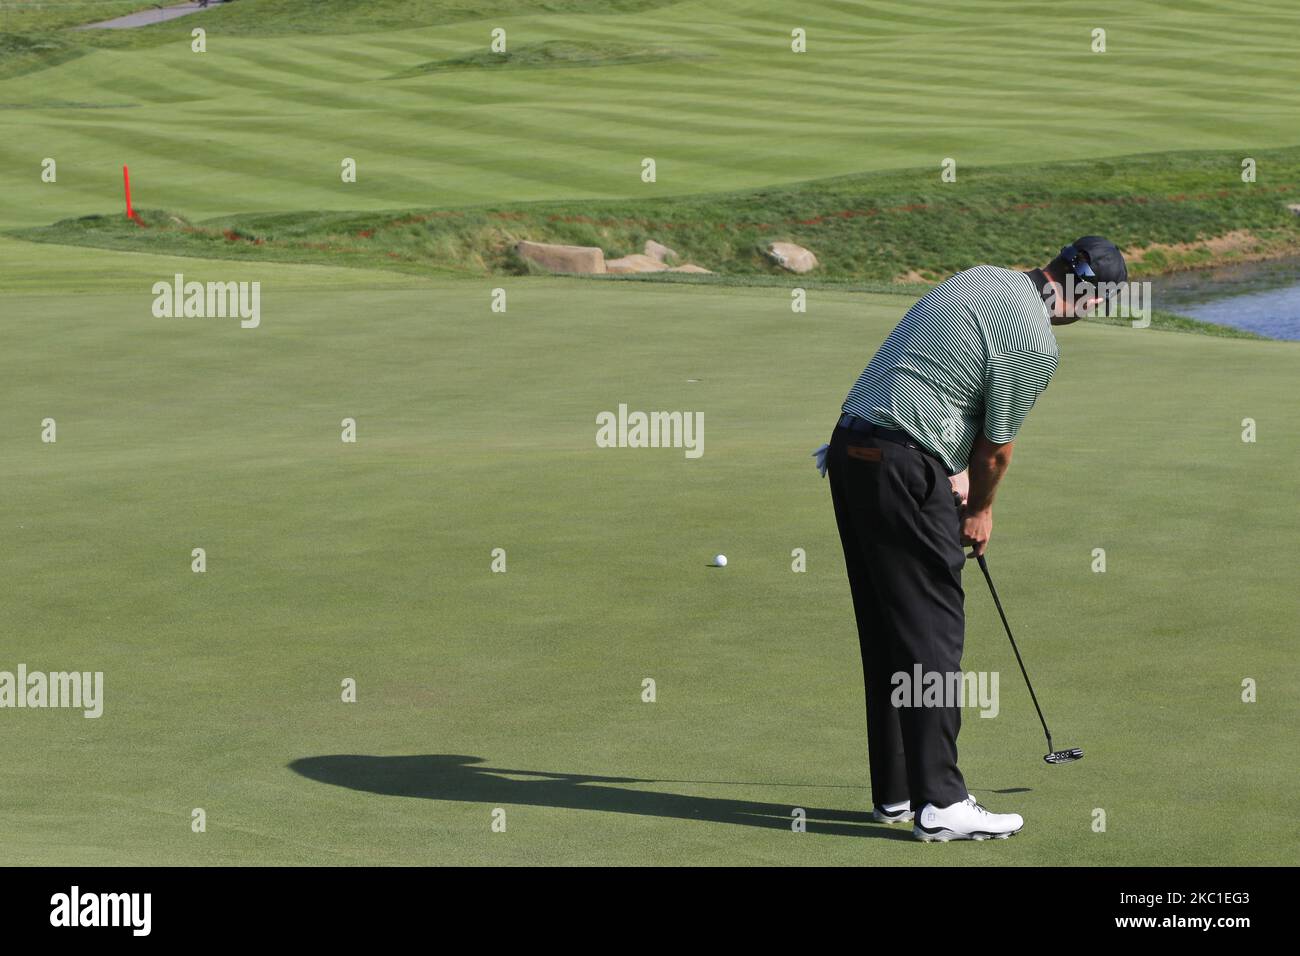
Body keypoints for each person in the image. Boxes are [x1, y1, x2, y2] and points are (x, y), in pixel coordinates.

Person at [825, 237, 1127, 841]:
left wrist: (947, 463)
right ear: (1088, 295)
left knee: (891, 630)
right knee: (934, 634)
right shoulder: (1038, 339)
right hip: (907, 464)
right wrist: (981, 511)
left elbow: (935, 372)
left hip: (851, 450)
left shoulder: (978, 277)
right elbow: (997, 448)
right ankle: (941, 803)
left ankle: (897, 793)